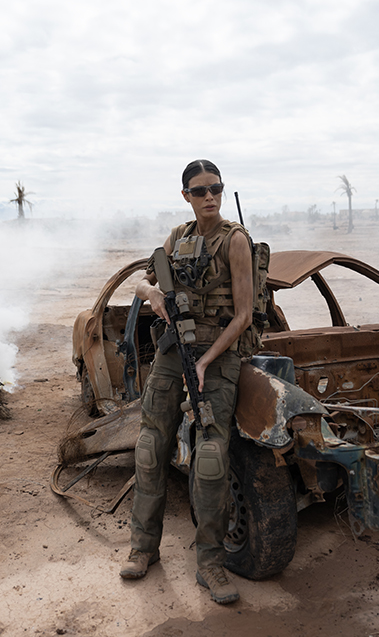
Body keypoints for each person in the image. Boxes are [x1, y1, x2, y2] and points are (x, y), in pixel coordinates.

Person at [120, 159, 256, 605]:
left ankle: (211, 565)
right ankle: (143, 550)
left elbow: (243, 315)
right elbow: (140, 279)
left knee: (212, 457)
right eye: (200, 191)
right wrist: (154, 295)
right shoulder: (177, 238)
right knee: (149, 447)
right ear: (187, 197)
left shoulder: (236, 241)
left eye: (216, 188)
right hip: (173, 351)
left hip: (216, 358)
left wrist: (207, 361)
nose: (210, 197)